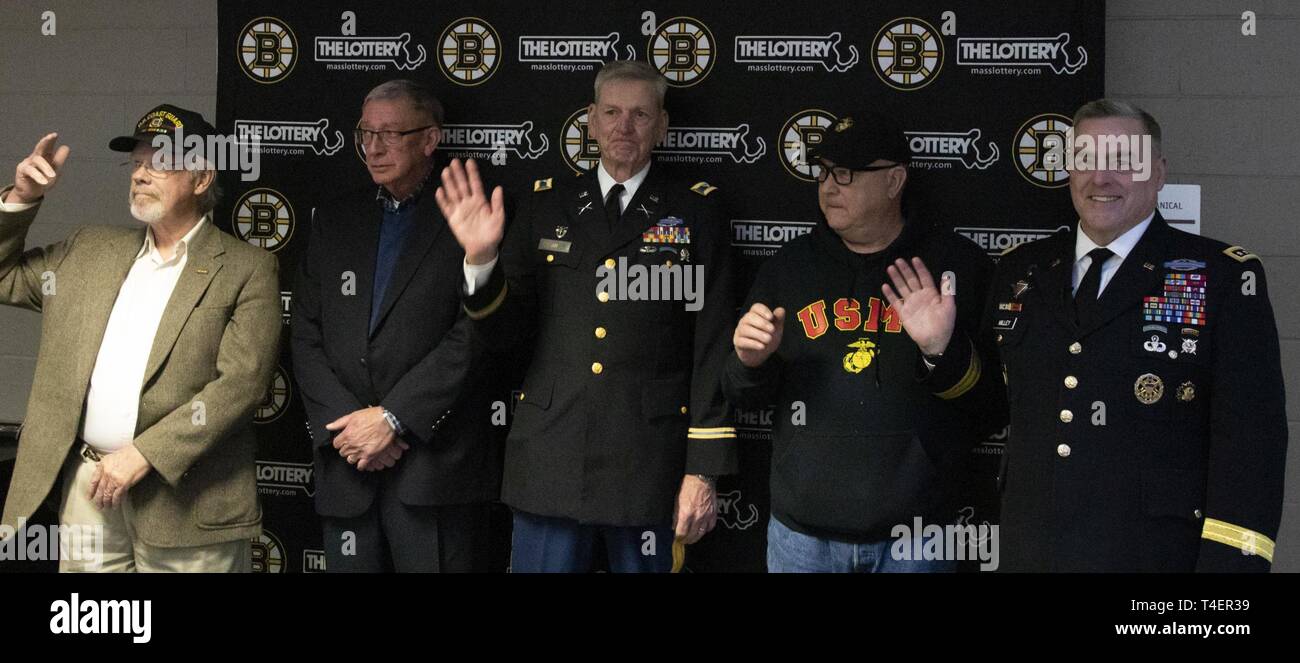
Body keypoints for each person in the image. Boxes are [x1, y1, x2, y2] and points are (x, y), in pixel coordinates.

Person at [887, 99, 1288, 572]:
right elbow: (993, 409)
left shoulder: (1220, 277)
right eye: (1086, 159)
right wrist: (940, 350)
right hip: (1032, 553)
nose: (1101, 178)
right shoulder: (1023, 270)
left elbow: (1250, 444)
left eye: (1123, 162)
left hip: (1155, 559)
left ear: (1158, 173)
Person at [435, 60, 738, 572]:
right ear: (591, 121)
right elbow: (504, 336)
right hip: (552, 457)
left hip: (649, 465)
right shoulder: (544, 206)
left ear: (662, 127)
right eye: (612, 112)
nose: (624, 126)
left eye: (641, 115)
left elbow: (713, 348)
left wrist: (702, 471)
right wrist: (481, 261)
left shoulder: (696, 214)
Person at [0, 105, 281, 571]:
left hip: (190, 502)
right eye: (136, 162)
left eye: (162, 162)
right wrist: (22, 198)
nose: (141, 174)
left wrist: (146, 453)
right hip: (89, 493)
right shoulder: (87, 249)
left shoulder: (247, 268)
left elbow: (242, 385)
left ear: (202, 177)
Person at [723, 111, 1002, 572]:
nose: (829, 186)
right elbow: (739, 393)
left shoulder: (957, 267)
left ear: (894, 181)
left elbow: (993, 408)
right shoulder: (788, 269)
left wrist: (941, 351)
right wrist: (749, 362)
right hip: (802, 536)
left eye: (846, 174)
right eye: (824, 172)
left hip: (918, 537)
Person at [292, 80, 501, 572]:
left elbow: (476, 334)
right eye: (366, 133)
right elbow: (305, 331)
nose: (374, 147)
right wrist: (350, 424)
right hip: (347, 466)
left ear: (429, 140)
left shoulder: (472, 217)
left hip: (433, 472)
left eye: (391, 133)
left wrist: (392, 418)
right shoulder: (336, 218)